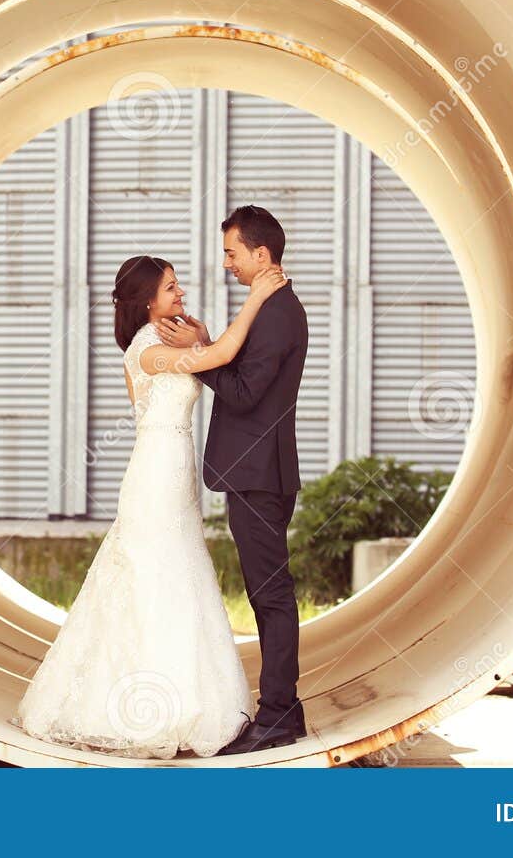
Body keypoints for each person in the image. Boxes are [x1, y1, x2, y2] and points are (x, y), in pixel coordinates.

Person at [12, 251, 289, 758]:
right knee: (153, 574)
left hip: (176, 467)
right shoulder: (148, 348)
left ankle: (182, 695)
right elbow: (220, 358)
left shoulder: (166, 339)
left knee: (178, 570)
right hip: (155, 472)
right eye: (170, 287)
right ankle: (144, 706)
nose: (180, 293)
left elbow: (209, 355)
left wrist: (201, 333)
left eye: (177, 285)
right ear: (146, 302)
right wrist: (256, 298)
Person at [155, 204, 310, 754]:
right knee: (267, 594)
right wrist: (206, 342)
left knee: (272, 597)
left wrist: (197, 354)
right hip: (256, 472)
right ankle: (279, 710)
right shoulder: (272, 311)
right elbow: (248, 373)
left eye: (231, 253)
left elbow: (244, 392)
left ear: (260, 254)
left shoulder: (277, 312)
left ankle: (279, 716)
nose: (227, 264)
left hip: (260, 474)